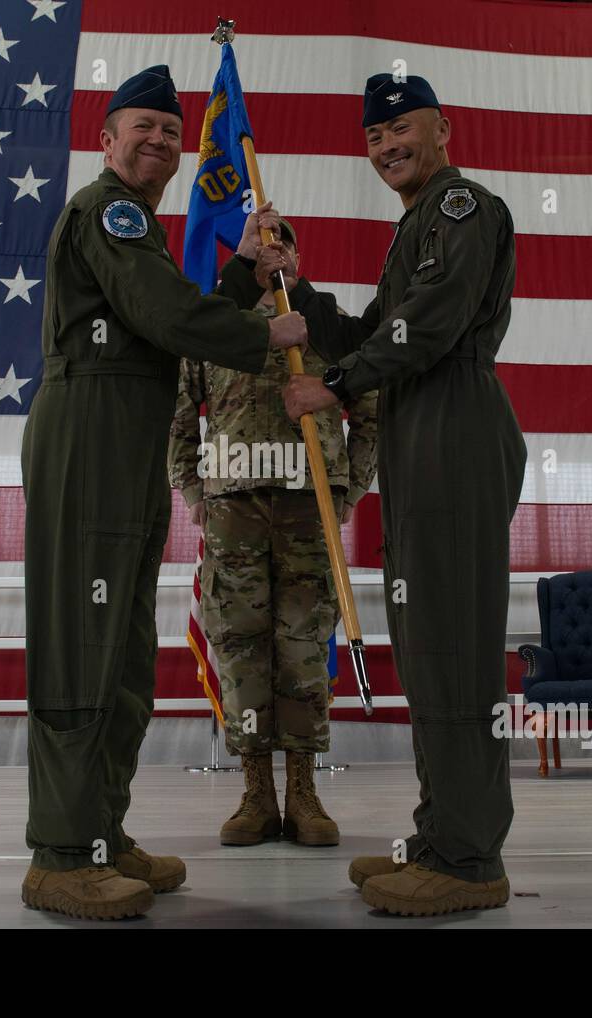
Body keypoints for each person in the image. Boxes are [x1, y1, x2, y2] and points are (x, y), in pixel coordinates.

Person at [223, 73, 527, 915]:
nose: (388, 146)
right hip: (420, 425)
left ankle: (469, 861)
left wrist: (337, 383)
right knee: (430, 644)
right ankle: (439, 836)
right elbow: (373, 330)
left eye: (403, 130)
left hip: (456, 423)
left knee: (457, 647)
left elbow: (429, 322)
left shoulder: (464, 209)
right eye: (375, 137)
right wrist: (300, 289)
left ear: (444, 130)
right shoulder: (415, 226)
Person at [19, 65, 309, 920]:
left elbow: (165, 319)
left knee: (118, 651)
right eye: (139, 125)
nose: (157, 140)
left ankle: (101, 836)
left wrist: (240, 272)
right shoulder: (107, 210)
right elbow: (164, 316)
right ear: (106, 141)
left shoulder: (136, 227)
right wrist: (264, 328)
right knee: (81, 641)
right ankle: (61, 855)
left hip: (125, 440)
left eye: (170, 132)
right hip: (88, 437)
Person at [168, 217, 379, 848]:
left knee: (303, 643)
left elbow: (368, 405)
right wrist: (193, 493)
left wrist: (350, 489)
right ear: (245, 251)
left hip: (305, 503)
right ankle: (256, 792)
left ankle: (305, 791)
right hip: (233, 506)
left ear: (298, 251)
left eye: (283, 236)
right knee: (238, 643)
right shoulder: (216, 321)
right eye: (261, 237)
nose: (273, 245)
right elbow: (179, 415)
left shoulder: (324, 319)